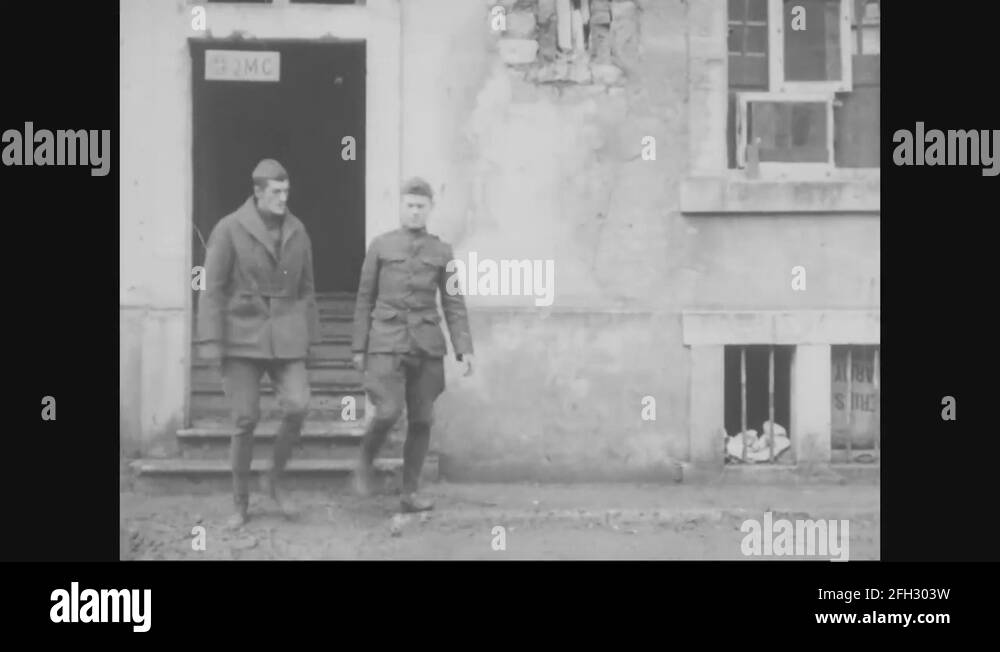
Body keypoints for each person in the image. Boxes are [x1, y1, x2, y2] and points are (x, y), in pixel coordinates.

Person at [195, 158, 321, 529]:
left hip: (285, 335)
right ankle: (240, 501)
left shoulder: (298, 231)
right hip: (241, 337)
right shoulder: (229, 229)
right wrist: (211, 341)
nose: (283, 199)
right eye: (276, 192)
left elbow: (308, 289)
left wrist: (310, 340)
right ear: (258, 192)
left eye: (286, 192)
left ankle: (274, 478)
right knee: (245, 419)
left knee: (298, 406)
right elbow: (212, 290)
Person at [352, 177, 474, 512]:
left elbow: (453, 301)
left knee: (422, 420)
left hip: (426, 344)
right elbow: (364, 299)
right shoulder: (380, 246)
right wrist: (358, 348)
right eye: (409, 205)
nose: (415, 212)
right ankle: (365, 460)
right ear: (401, 207)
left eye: (421, 206)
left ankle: (410, 492)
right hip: (386, 343)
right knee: (389, 410)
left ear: (430, 209)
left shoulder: (442, 252)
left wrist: (463, 346)